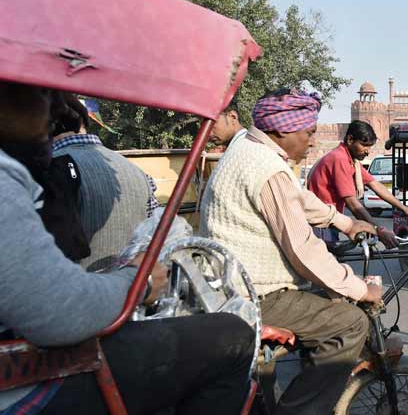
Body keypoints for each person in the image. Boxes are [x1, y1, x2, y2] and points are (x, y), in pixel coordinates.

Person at [0, 81, 256, 415]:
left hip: (95, 308)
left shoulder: (46, 168)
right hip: (44, 363)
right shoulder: (123, 174)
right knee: (232, 337)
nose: (50, 108)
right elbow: (59, 308)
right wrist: (139, 280)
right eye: (41, 93)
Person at [200, 88, 382, 415]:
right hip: (253, 293)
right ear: (284, 130)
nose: (312, 141)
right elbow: (304, 249)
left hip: (229, 284)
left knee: (328, 298)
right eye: (309, 133)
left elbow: (297, 199)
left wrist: (343, 222)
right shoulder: (266, 167)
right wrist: (359, 288)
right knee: (351, 322)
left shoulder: (248, 147)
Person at [51, 94, 160, 272]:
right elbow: (154, 235)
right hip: (133, 291)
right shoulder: (137, 172)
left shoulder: (47, 171)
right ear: (85, 121)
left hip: (78, 290)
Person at [307, 120, 408, 247]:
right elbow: (353, 204)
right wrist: (378, 230)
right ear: (350, 140)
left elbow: (375, 185)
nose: (367, 151)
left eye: (369, 147)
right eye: (364, 145)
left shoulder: (351, 161)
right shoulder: (339, 159)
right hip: (321, 223)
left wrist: (403, 208)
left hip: (330, 221)